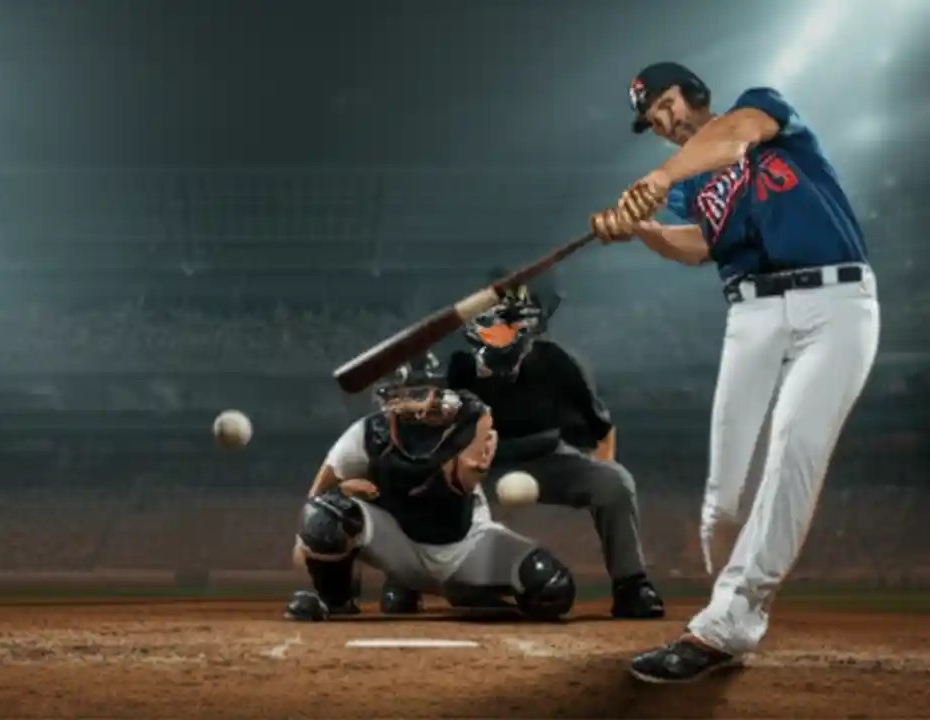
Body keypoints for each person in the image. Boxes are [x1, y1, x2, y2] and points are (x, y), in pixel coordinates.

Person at [590, 62, 879, 683]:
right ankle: (734, 612)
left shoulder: (758, 108)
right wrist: (641, 229)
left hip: (835, 303)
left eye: (666, 102)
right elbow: (699, 246)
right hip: (751, 314)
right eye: (651, 117)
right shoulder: (690, 185)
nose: (662, 120)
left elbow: (733, 137)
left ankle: (725, 622)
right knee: (723, 506)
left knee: (792, 449)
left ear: (693, 90)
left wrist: (659, 176)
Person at [377, 279, 666, 620]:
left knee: (614, 482)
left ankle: (631, 585)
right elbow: (426, 433)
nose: (506, 335)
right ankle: (405, 580)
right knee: (416, 480)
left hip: (546, 456)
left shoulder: (557, 363)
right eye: (499, 326)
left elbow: (601, 429)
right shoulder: (457, 369)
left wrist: (600, 481)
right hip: (476, 462)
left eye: (513, 325)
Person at [284, 354, 576, 622]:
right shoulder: (366, 435)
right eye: (411, 394)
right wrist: (308, 538)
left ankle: (461, 591)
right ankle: (335, 601)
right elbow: (319, 496)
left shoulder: (470, 423)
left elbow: (469, 459)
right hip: (400, 546)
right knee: (325, 517)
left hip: (466, 548)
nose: (420, 403)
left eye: (426, 392)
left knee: (552, 588)